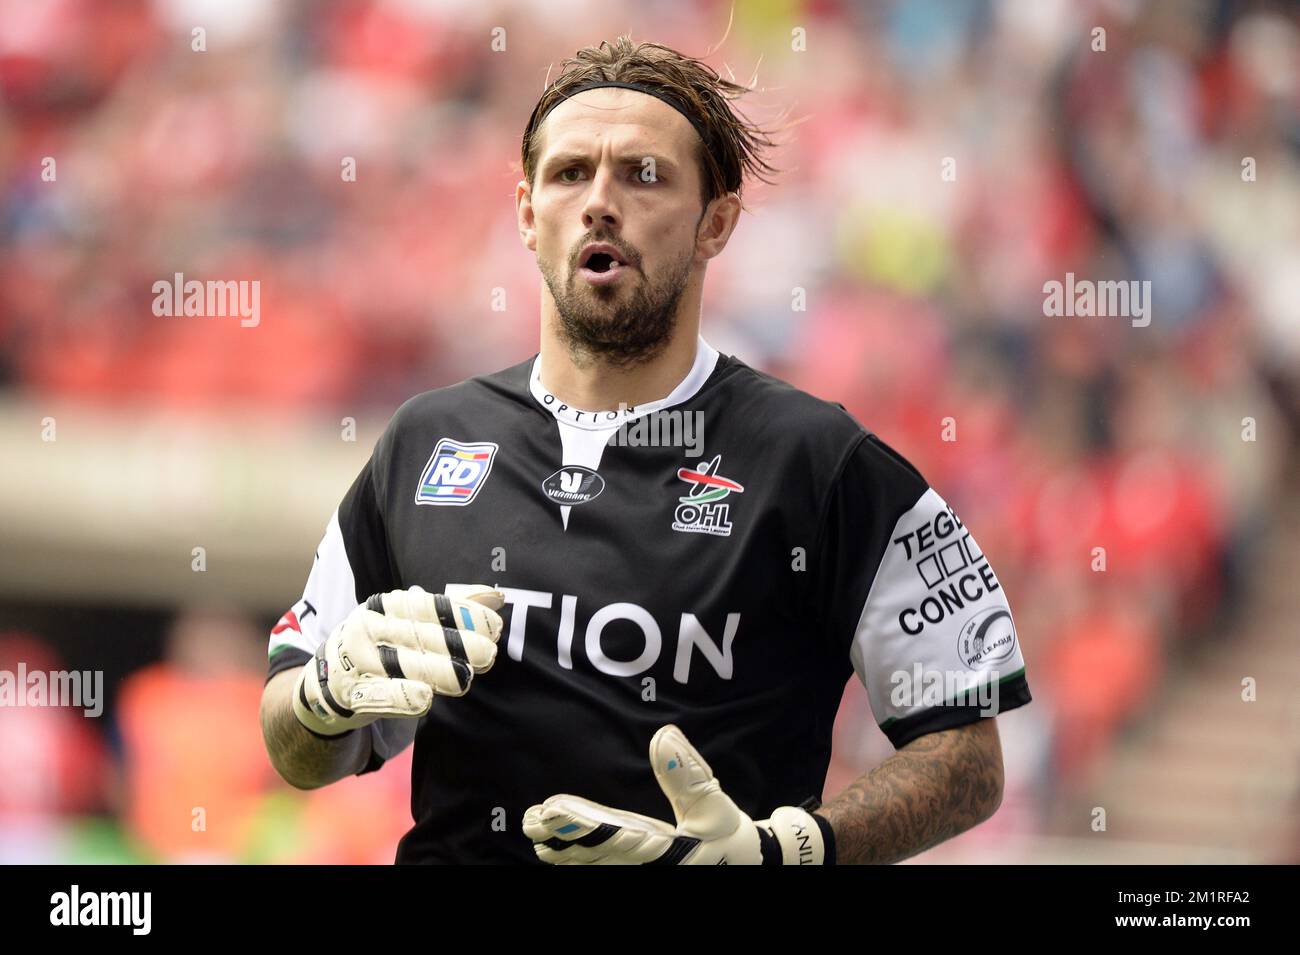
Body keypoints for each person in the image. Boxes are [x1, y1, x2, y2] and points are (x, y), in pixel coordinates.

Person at [259, 36, 1032, 865]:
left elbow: (967, 753)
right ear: (526, 213)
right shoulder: (426, 440)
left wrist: (789, 851)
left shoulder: (820, 462)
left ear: (717, 222)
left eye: (644, 174)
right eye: (568, 174)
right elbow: (293, 744)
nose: (599, 201)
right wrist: (322, 696)